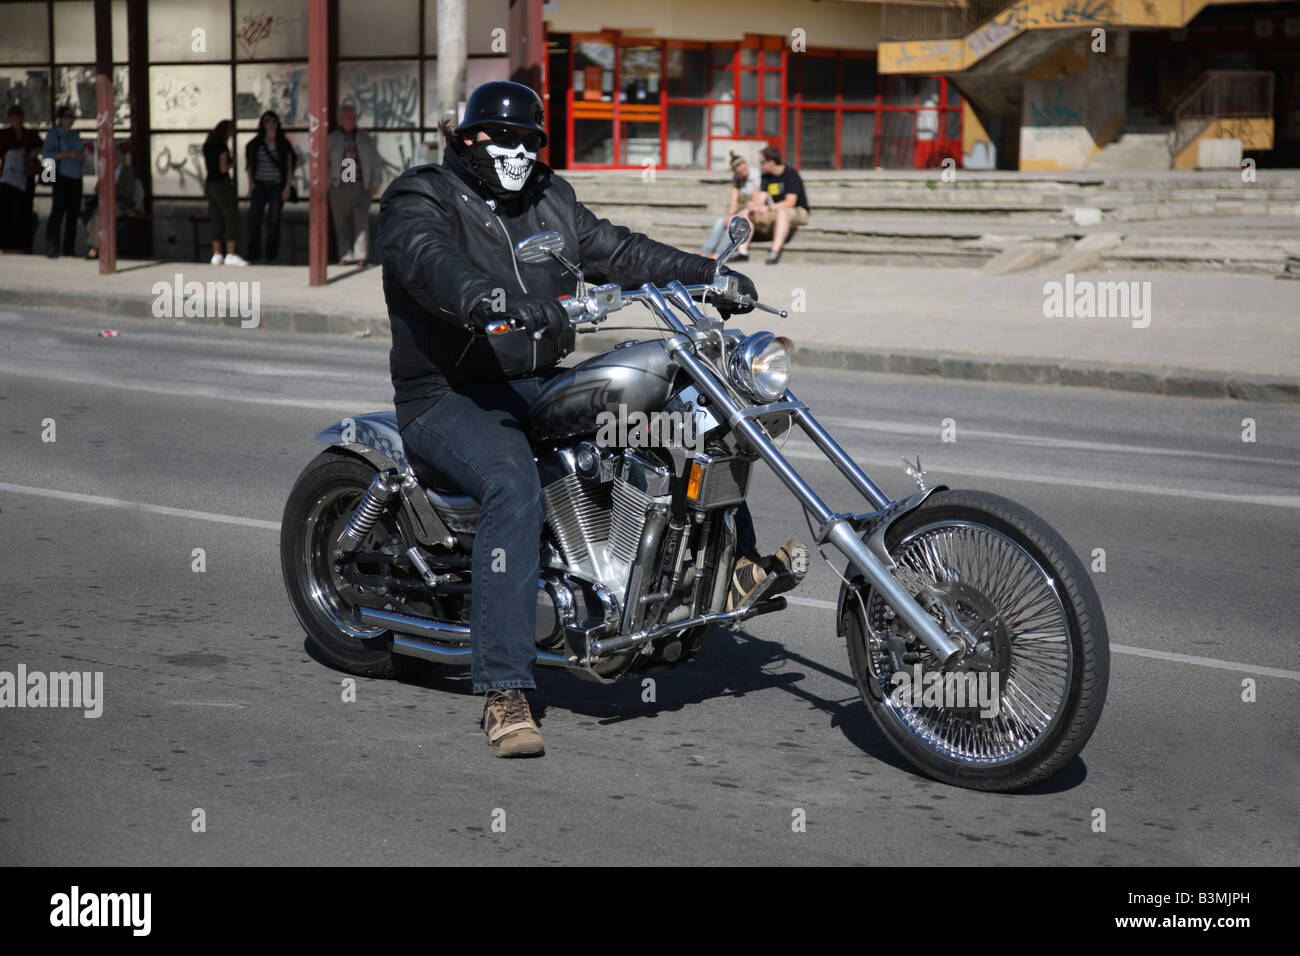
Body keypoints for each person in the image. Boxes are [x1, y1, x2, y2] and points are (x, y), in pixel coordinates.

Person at [379, 80, 807, 758]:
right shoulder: (422, 195)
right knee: (511, 485)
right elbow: (428, 262)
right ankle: (504, 690)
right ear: (470, 138)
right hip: (448, 393)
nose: (520, 152)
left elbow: (618, 250)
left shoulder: (550, 195)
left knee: (672, 415)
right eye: (505, 138)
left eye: (531, 140)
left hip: (534, 377)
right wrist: (490, 299)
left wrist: (706, 273)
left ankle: (734, 565)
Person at [328, 104, 383, 265]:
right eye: (348, 117)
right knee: (341, 223)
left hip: (360, 185)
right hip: (339, 186)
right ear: (340, 119)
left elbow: (376, 162)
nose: (352, 120)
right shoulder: (332, 139)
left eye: (354, 117)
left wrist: (375, 182)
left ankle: (361, 256)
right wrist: (327, 183)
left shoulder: (365, 138)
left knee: (361, 221)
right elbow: (324, 162)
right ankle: (345, 255)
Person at [738, 145, 810, 265]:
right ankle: (742, 252)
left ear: (771, 162)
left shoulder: (790, 174)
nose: (761, 165)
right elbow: (762, 197)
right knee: (746, 212)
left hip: (798, 210)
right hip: (777, 210)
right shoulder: (766, 176)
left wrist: (769, 207)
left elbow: (790, 202)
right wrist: (755, 206)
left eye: (762, 162)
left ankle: (774, 252)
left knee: (782, 213)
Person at [244, 109, 295, 263]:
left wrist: (287, 187)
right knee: (254, 219)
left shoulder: (283, 143)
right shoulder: (256, 143)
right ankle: (254, 252)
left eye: (273, 121)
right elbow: (250, 166)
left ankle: (270, 254)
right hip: (260, 185)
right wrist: (251, 185)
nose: (270, 124)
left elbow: (289, 166)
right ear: (262, 124)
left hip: (276, 186)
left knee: (274, 219)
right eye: (267, 121)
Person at [41, 105, 87, 258]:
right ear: (61, 118)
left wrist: (80, 156)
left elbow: (81, 152)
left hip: (76, 176)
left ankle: (69, 248)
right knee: (58, 211)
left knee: (73, 214)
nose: (70, 120)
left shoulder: (75, 135)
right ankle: (52, 246)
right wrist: (67, 154)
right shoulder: (54, 134)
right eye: (68, 116)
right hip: (61, 176)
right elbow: (46, 154)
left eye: (72, 117)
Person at [85, 141, 141, 259]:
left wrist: (112, 192)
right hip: (106, 203)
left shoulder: (127, 171)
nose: (113, 159)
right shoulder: (106, 170)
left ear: (122, 158)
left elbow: (129, 193)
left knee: (101, 214)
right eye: (112, 156)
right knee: (97, 216)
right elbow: (97, 189)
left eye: (116, 156)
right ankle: (96, 247)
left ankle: (95, 248)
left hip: (122, 204)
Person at [700, 151, 759, 259]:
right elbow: (733, 200)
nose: (743, 173)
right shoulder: (736, 178)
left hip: (753, 211)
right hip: (741, 209)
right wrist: (730, 215)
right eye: (740, 172)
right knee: (721, 221)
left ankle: (719, 253)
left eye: (744, 170)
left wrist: (734, 216)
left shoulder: (756, 174)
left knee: (734, 223)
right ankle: (705, 252)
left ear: (746, 164)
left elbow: (755, 199)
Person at [202, 120, 246, 265]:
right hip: (221, 184)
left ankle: (217, 253)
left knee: (215, 216)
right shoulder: (221, 146)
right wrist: (233, 163)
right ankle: (231, 252)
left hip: (209, 183)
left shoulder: (208, 145)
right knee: (230, 216)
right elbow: (223, 168)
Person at [0, 104, 43, 253]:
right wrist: (10, 154)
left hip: (25, 176)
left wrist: (30, 153)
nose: (17, 120)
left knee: (25, 210)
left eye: (20, 117)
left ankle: (24, 244)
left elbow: (42, 147)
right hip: (8, 178)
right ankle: (4, 244)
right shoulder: (4, 134)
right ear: (9, 119)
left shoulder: (30, 134)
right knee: (6, 210)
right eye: (14, 117)